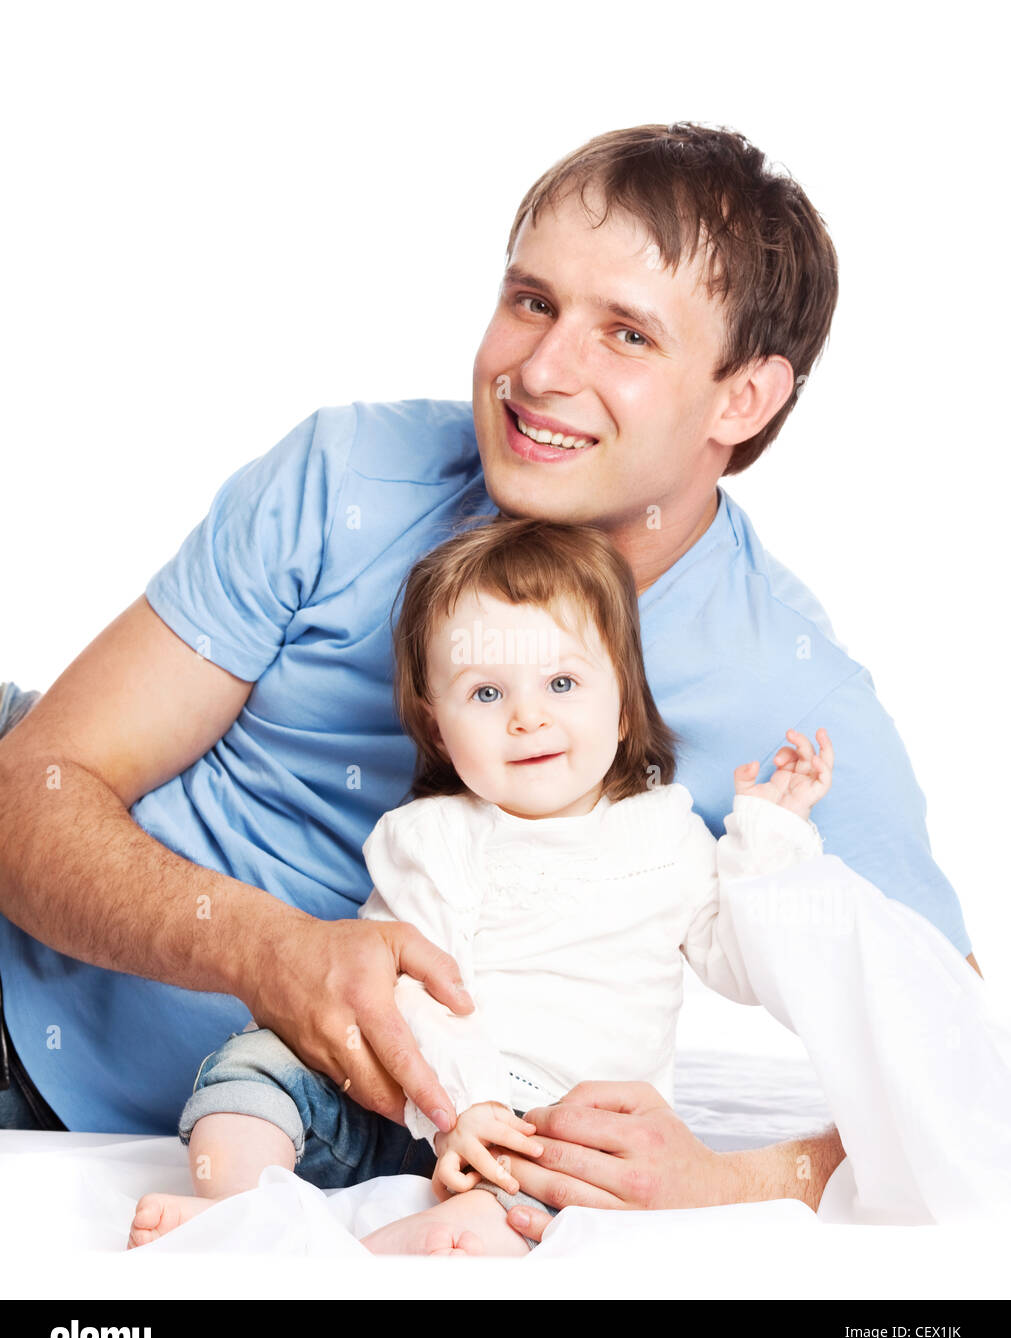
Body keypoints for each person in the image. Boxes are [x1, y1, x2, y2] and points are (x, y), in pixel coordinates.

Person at [0, 123, 979, 1241]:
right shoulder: (346, 473)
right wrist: (264, 951)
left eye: (626, 334)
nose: (541, 370)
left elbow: (956, 1063)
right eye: (530, 301)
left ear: (742, 400)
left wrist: (737, 1179)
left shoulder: (783, 693)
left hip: (280, 1124)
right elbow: (31, 786)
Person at [128, 517, 834, 1255]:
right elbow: (417, 993)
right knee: (258, 1065)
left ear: (623, 706)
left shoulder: (671, 838)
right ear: (438, 731)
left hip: (545, 1122)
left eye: (561, 683)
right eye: (486, 693)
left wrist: (770, 837)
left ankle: (408, 1244)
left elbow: (742, 967)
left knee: (570, 1178)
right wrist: (461, 1106)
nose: (528, 716)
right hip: (401, 1096)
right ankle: (239, 1207)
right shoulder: (430, 838)